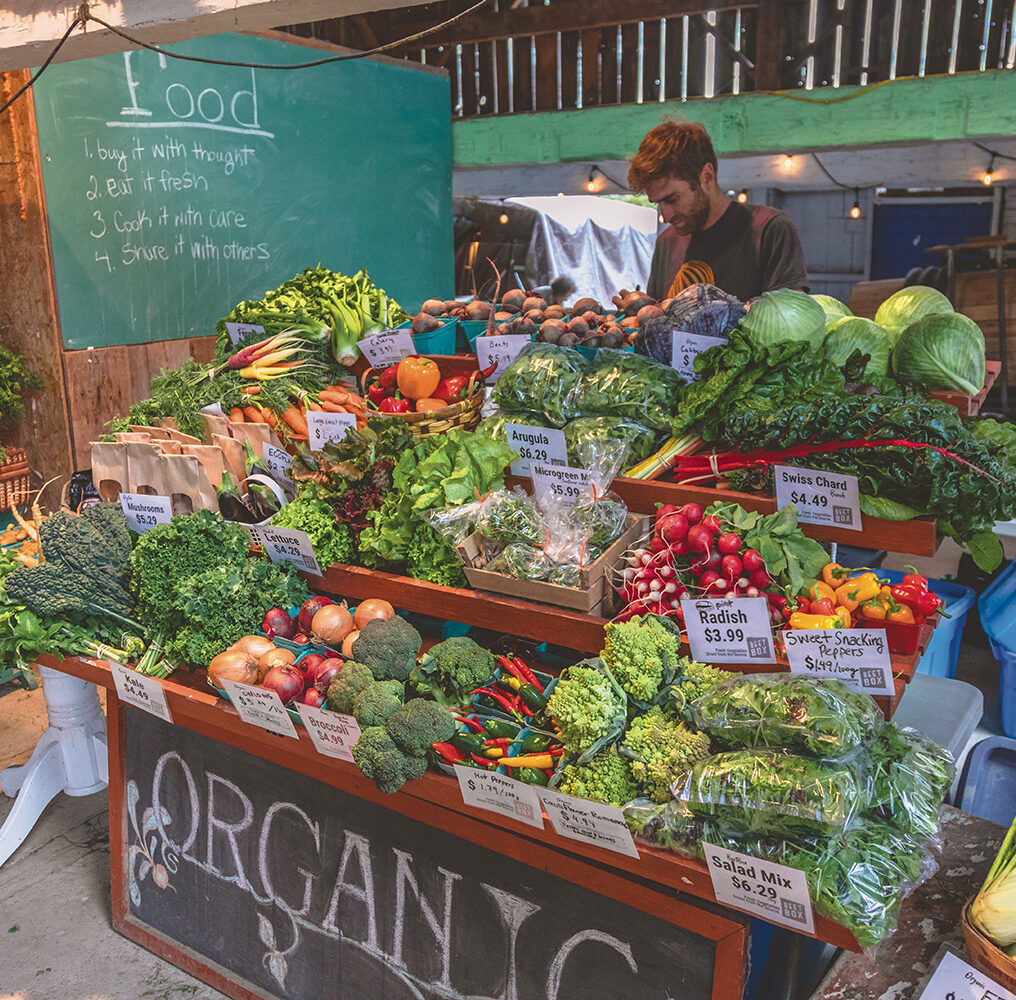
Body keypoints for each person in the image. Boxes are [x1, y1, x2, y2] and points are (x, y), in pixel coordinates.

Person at [628, 120, 808, 302]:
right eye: (658, 203)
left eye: (672, 199)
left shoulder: (770, 229)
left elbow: (791, 323)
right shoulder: (666, 243)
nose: (666, 216)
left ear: (706, 176)